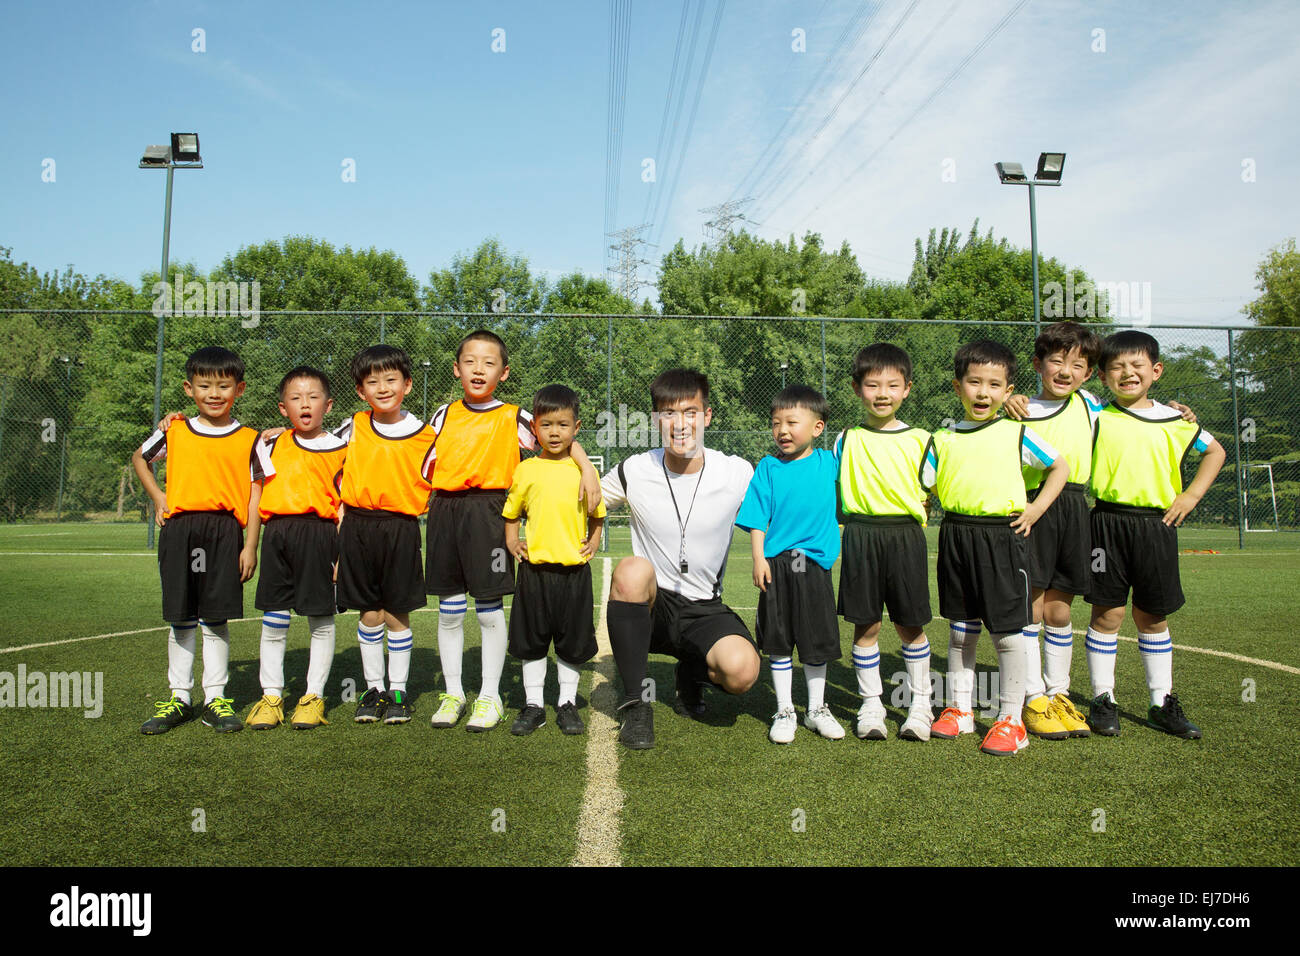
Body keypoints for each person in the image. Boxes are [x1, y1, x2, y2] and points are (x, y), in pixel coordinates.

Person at [1003, 322, 1199, 741]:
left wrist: (1180, 410)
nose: (1066, 370)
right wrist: (1011, 398)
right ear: (1038, 365)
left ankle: (1060, 693)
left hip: (1076, 511)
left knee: (1060, 608)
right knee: (1031, 605)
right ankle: (1034, 695)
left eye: (1077, 364)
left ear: (1089, 374)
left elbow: (1141, 410)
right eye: (1056, 361)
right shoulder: (1016, 411)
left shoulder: (1090, 405)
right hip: (1031, 507)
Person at [423, 330, 602, 732]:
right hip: (445, 512)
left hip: (490, 511)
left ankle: (490, 696)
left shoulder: (516, 416)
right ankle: (453, 693)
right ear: (456, 369)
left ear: (503, 373)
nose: (478, 369)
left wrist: (587, 467)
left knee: (488, 607)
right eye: (470, 362)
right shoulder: (442, 414)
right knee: (450, 608)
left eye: (488, 363)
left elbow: (557, 438)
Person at [920, 340, 1069, 756]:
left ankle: (1010, 719)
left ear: (1007, 391)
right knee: (961, 628)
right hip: (957, 536)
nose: (983, 392)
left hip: (1003, 539)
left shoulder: (1018, 433)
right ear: (957, 386)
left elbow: (1061, 467)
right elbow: (923, 487)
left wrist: (1036, 509)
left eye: (994, 384)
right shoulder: (942, 438)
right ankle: (960, 710)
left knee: (1007, 632)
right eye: (974, 382)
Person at [601, 368, 761, 751]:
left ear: (707, 416)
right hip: (653, 603)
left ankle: (690, 674)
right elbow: (584, 499)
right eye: (668, 413)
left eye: (690, 412)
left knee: (742, 672)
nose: (680, 424)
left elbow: (776, 511)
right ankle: (636, 704)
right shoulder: (635, 470)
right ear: (656, 420)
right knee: (631, 569)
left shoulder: (738, 472)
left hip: (704, 607)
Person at [1084, 330, 1225, 739]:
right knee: (1107, 612)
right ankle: (1102, 698)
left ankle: (1162, 702)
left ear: (1156, 371)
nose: (1127, 373)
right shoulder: (1096, 416)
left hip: (1158, 525)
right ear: (1104, 377)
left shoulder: (1176, 420)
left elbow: (1215, 452)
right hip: (1106, 523)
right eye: (1117, 368)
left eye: (1137, 366)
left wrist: (1191, 496)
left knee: (1152, 615)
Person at [133, 346, 272, 735]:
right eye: (204, 386)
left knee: (215, 616)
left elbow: (256, 492)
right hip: (181, 531)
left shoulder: (249, 438)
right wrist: (159, 498)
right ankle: (179, 697)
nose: (214, 393)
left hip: (224, 532)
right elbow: (140, 458)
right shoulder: (175, 430)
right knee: (181, 616)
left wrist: (250, 545)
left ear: (239, 389)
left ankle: (215, 698)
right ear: (189, 388)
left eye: (223, 386)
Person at [834, 343, 934, 742]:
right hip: (860, 535)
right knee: (867, 624)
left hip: (905, 537)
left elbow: (935, 487)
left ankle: (921, 705)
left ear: (907, 389)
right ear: (857, 388)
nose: (882, 393)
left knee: (911, 624)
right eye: (872, 385)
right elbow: (838, 492)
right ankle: (871, 704)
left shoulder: (923, 439)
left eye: (892, 385)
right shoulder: (846, 439)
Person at [334, 344, 436, 725]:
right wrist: (286, 432)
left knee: (396, 612)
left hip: (400, 529)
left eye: (390, 379)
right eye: (372, 382)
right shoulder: (353, 426)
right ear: (361, 391)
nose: (382, 387)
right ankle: (372, 689)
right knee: (369, 612)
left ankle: (398, 690)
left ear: (407, 384)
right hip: (358, 526)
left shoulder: (427, 435)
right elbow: (317, 448)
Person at [736, 385, 843, 744]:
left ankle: (816, 709)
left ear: (817, 427)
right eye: (776, 422)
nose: (782, 430)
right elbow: (756, 518)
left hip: (812, 564)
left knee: (815, 639)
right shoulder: (767, 468)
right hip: (778, 563)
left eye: (792, 422)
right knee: (779, 640)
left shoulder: (831, 462)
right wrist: (757, 558)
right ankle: (784, 709)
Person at [245, 366, 348, 731]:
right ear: (282, 408)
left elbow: (342, 507)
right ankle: (271, 695)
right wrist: (250, 546)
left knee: (320, 617)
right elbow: (255, 494)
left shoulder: (341, 449)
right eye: (296, 398)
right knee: (274, 617)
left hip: (320, 536)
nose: (305, 404)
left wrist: (342, 555)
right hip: (277, 535)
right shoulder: (269, 443)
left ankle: (313, 695)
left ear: (329, 405)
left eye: (313, 397)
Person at [502, 385, 606, 736]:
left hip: (574, 574)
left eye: (563, 425)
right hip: (534, 572)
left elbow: (598, 514)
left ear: (576, 429)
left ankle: (565, 702)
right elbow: (511, 511)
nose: (555, 432)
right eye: (547, 425)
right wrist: (512, 540)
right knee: (531, 642)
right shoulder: (527, 470)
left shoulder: (583, 472)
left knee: (572, 642)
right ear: (535, 429)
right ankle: (533, 705)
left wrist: (593, 540)